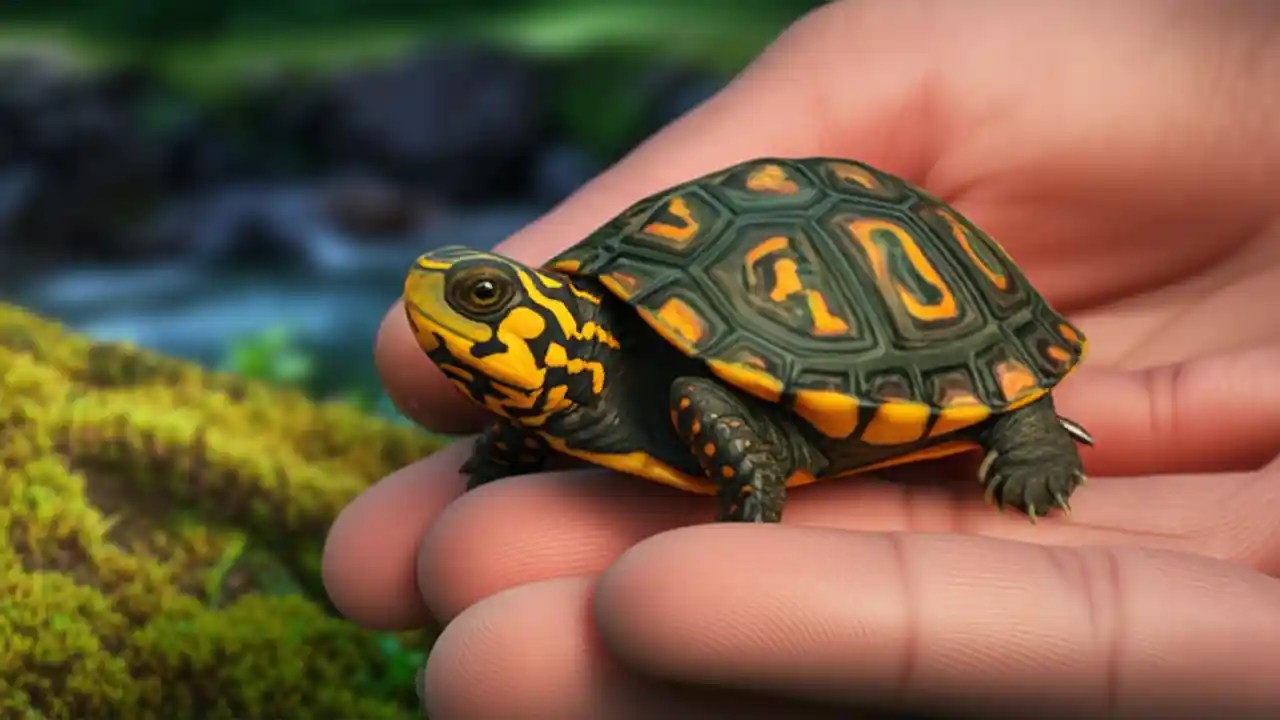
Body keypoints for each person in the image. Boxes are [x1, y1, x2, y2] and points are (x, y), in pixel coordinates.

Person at [322, 0, 1280, 717]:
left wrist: (747, 510)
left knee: (703, 393)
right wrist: (511, 444)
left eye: (483, 297)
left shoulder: (678, 385)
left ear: (547, 323)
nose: (438, 299)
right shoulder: (569, 373)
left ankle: (1024, 422)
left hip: (881, 351)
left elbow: (703, 397)